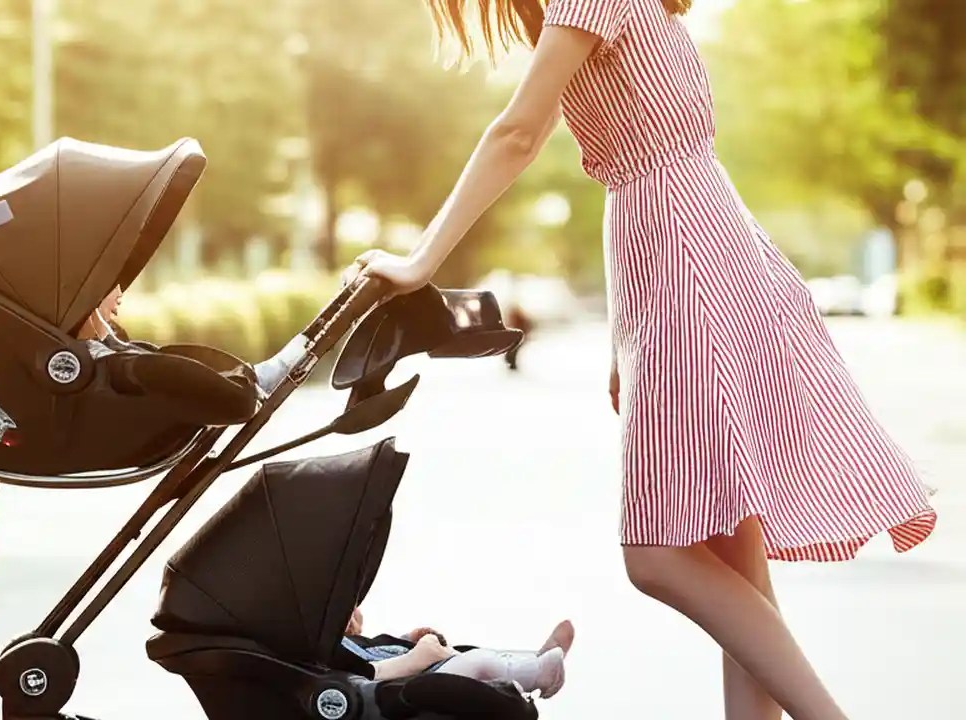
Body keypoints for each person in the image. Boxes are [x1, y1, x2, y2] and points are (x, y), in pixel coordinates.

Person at [342, 2, 937, 718]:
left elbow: (518, 134)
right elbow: (628, 175)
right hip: (692, 253)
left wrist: (419, 262)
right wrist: (623, 332)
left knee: (656, 555)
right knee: (733, 558)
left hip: (689, 265)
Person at [339, 606, 574, 699]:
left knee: (469, 653)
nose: (350, 621)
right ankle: (535, 672)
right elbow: (369, 668)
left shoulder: (368, 643)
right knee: (478, 663)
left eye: (354, 616)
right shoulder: (337, 651)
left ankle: (533, 660)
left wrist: (412, 637)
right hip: (395, 681)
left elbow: (391, 646)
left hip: (428, 665)